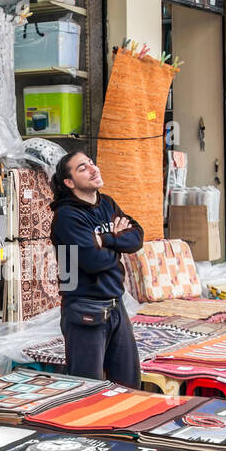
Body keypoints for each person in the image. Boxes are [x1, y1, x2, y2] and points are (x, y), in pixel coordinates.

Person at [50, 151, 144, 387]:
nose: (93, 169)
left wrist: (106, 239)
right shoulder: (66, 216)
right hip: (84, 309)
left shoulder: (108, 204)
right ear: (69, 182)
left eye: (91, 163)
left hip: (115, 305)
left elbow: (137, 237)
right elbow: (93, 260)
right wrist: (117, 238)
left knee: (128, 385)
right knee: (87, 389)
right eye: (82, 168)